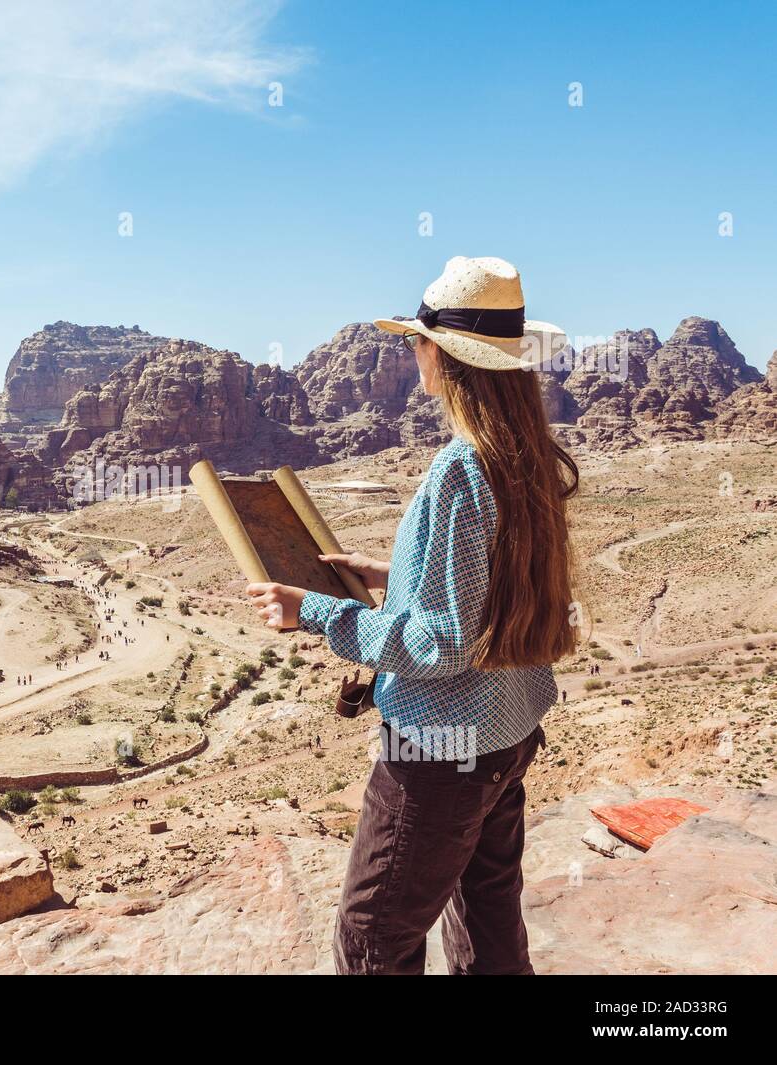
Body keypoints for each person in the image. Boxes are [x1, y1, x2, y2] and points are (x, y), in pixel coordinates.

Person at [245, 257, 577, 976]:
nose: (411, 352)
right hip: (507, 732)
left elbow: (443, 641)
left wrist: (317, 613)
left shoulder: (461, 467)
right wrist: (397, 577)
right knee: (487, 921)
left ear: (443, 355)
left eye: (415, 340)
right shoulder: (523, 459)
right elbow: (493, 587)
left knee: (372, 939)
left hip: (440, 749)